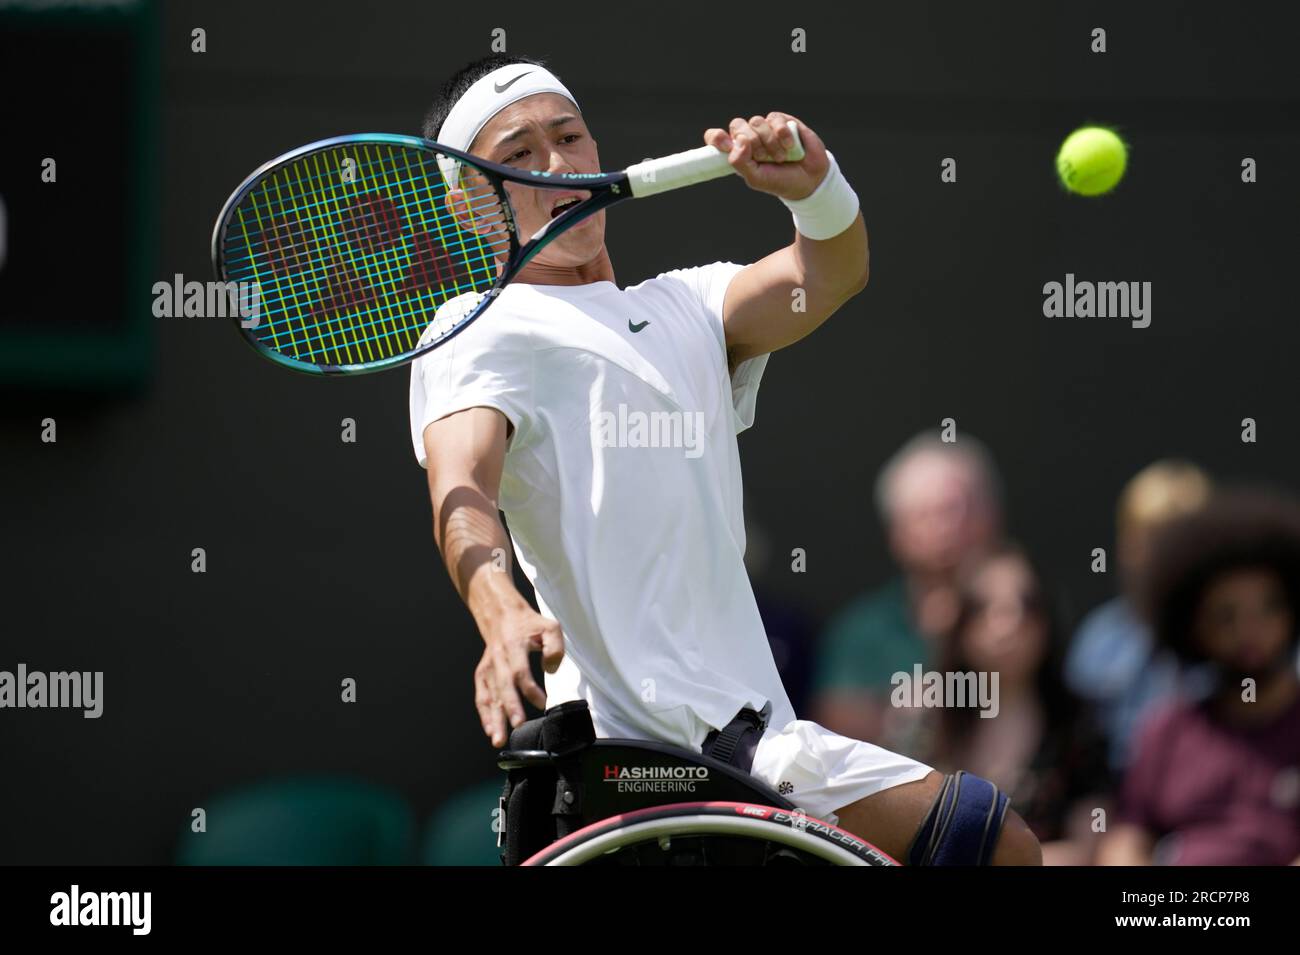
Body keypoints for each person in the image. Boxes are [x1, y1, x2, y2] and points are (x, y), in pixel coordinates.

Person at [409, 53, 1039, 864]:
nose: (560, 165)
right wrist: (500, 613)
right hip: (640, 759)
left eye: (569, 136)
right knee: (998, 847)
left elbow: (832, 271)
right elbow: (461, 487)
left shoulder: (689, 304)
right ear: (472, 206)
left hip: (751, 745)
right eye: (520, 155)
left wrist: (815, 188)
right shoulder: (479, 326)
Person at [1099, 487, 1300, 866]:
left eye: (1268, 609)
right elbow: (1127, 836)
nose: (1249, 631)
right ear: (1193, 629)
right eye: (1226, 616)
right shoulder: (1168, 730)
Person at [810, 431, 1003, 760]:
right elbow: (834, 737)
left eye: (964, 509)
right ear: (896, 534)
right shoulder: (861, 631)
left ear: (993, 516)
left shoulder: (1024, 612)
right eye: (933, 514)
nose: (951, 527)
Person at [928, 542, 1110, 865]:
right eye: (984, 608)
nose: (1006, 626)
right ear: (960, 625)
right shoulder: (924, 720)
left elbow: (1088, 849)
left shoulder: (1078, 723)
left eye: (1024, 607)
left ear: (1046, 621)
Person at [1065, 460, 1214, 774]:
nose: (1162, 558)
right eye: (1148, 539)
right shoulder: (1101, 638)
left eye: (1177, 540)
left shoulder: (1237, 635)